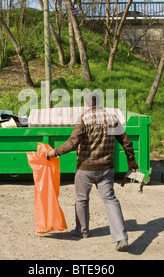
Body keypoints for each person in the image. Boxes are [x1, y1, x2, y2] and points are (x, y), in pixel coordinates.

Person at [44, 93, 139, 251]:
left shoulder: (83, 119)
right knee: (110, 200)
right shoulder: (111, 118)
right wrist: (131, 160)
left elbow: (73, 143)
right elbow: (126, 141)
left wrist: (54, 152)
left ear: (86, 105)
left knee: (81, 199)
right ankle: (121, 237)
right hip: (106, 168)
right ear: (99, 103)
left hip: (86, 169)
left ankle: (82, 231)